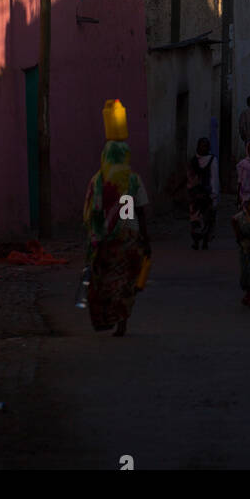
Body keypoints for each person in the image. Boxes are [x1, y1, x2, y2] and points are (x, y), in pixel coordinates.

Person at [82, 100, 150, 337]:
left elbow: (91, 212)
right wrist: (146, 239)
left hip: (106, 239)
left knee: (107, 280)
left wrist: (93, 236)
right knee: (126, 282)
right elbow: (140, 210)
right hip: (129, 236)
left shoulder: (97, 181)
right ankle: (122, 320)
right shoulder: (133, 179)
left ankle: (107, 317)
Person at [187, 136, 219, 250]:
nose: (204, 148)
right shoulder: (193, 160)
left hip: (208, 194)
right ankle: (196, 241)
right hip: (195, 195)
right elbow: (189, 178)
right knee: (195, 220)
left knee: (207, 219)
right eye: (202, 145)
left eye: (206, 145)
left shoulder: (212, 160)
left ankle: (205, 241)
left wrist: (214, 194)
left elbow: (214, 178)